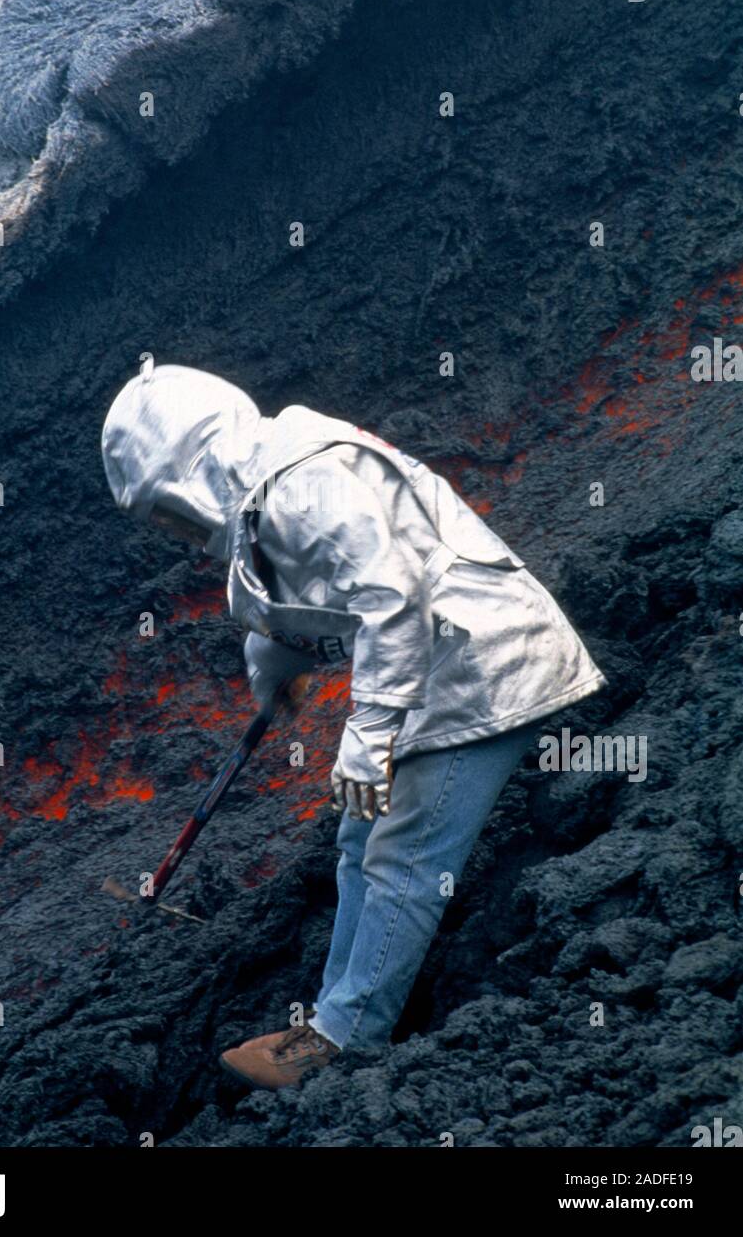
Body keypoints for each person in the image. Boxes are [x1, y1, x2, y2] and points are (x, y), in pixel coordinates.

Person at [101, 356, 606, 1089]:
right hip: (441, 671)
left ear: (190, 466)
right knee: (357, 837)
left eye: (164, 508)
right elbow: (302, 586)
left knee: (402, 852)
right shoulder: (269, 483)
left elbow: (391, 601)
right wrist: (273, 667)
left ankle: (347, 1041)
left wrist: (368, 739)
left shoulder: (301, 484)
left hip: (482, 668)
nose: (173, 527)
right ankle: (328, 1019)